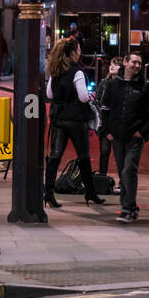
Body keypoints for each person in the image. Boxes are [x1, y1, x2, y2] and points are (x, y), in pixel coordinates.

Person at [44, 36, 106, 207]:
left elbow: (49, 95)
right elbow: (83, 97)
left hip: (59, 119)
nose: (80, 53)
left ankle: (48, 192)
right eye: (78, 50)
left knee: (55, 156)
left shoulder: (55, 71)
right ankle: (91, 193)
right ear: (72, 53)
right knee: (84, 156)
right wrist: (90, 96)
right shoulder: (77, 72)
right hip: (76, 120)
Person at [102, 51, 149, 221]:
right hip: (116, 136)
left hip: (134, 136)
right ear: (125, 62)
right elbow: (105, 110)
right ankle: (129, 207)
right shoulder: (113, 85)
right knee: (123, 171)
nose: (137, 66)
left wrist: (142, 132)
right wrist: (106, 132)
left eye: (139, 63)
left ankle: (128, 208)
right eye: (134, 62)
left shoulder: (145, 86)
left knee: (129, 169)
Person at [96, 56, 124, 178]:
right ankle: (102, 178)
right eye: (111, 64)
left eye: (116, 64)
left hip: (118, 123)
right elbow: (97, 101)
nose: (112, 66)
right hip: (105, 122)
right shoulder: (104, 83)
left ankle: (123, 181)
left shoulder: (123, 84)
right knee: (104, 151)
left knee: (120, 153)